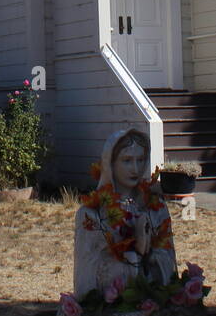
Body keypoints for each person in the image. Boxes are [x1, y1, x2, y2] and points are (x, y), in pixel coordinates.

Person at [73, 127, 177, 300]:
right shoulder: (92, 214)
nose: (135, 168)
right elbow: (89, 272)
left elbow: (168, 261)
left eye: (141, 160)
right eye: (127, 160)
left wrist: (151, 255)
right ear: (111, 163)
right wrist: (133, 254)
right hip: (111, 300)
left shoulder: (155, 207)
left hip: (151, 298)